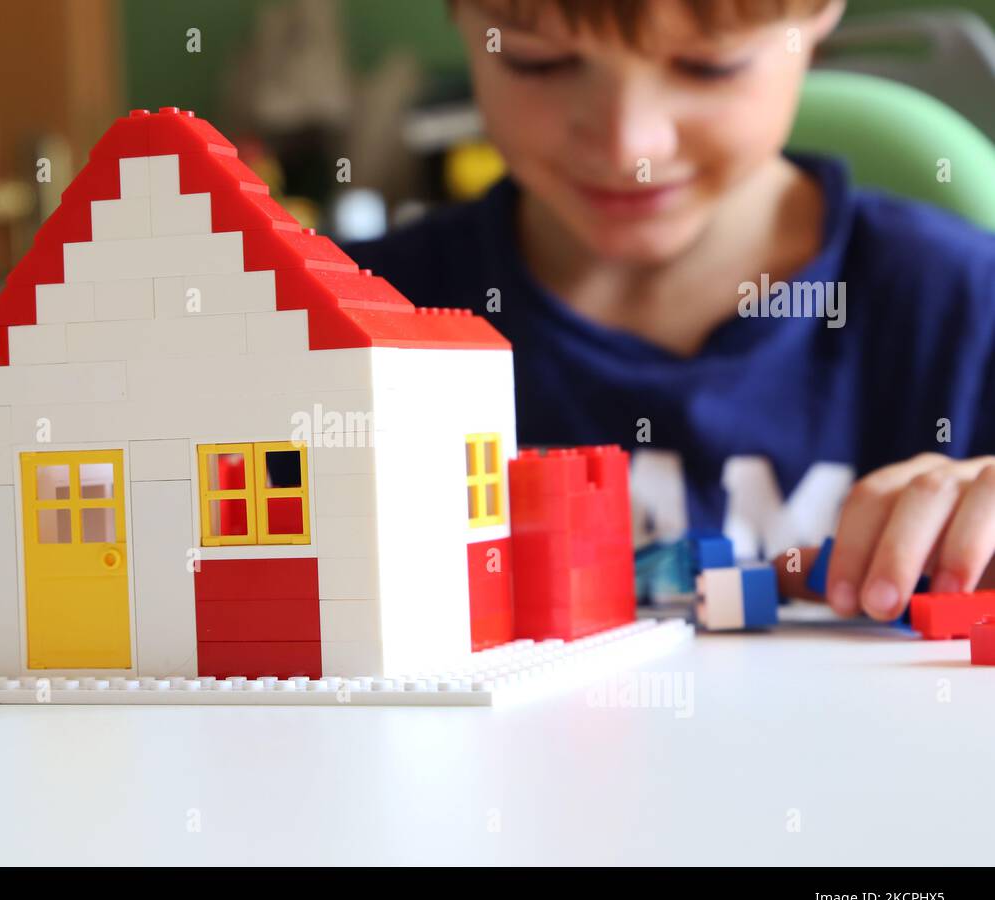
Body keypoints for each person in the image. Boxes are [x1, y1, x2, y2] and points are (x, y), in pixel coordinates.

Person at [345, 0, 995, 622]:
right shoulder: (345, 315)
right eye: (536, 60)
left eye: (709, 65)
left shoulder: (966, 306)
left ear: (819, 12)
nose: (630, 146)